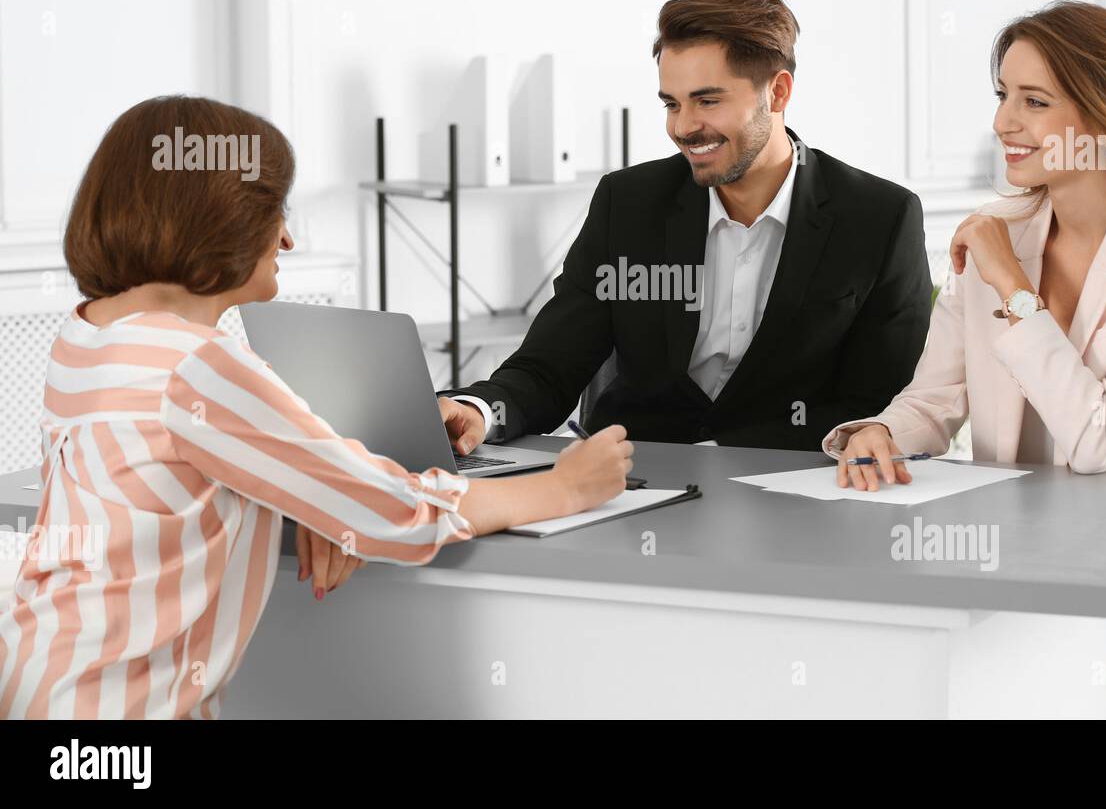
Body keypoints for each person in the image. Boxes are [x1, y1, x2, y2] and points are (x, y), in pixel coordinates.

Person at [0, 95, 632, 719]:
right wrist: (565, 489)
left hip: (37, 682)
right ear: (217, 216)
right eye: (275, 209)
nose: (287, 236)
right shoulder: (203, 368)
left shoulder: (87, 334)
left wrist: (311, 503)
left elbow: (163, 484)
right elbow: (395, 511)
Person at [823, 1, 1106, 690]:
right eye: (1003, 95)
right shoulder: (1000, 229)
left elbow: (1099, 439)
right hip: (1010, 570)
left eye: (1034, 101)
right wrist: (883, 430)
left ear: (1105, 118)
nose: (1004, 122)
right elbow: (936, 399)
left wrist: (1009, 285)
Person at [441, 0, 933, 453]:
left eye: (708, 100)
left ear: (777, 93)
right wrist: (482, 410)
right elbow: (550, 365)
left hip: (793, 489)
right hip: (634, 484)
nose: (682, 127)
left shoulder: (878, 218)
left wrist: (725, 456)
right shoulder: (628, 203)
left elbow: (880, 405)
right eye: (671, 104)